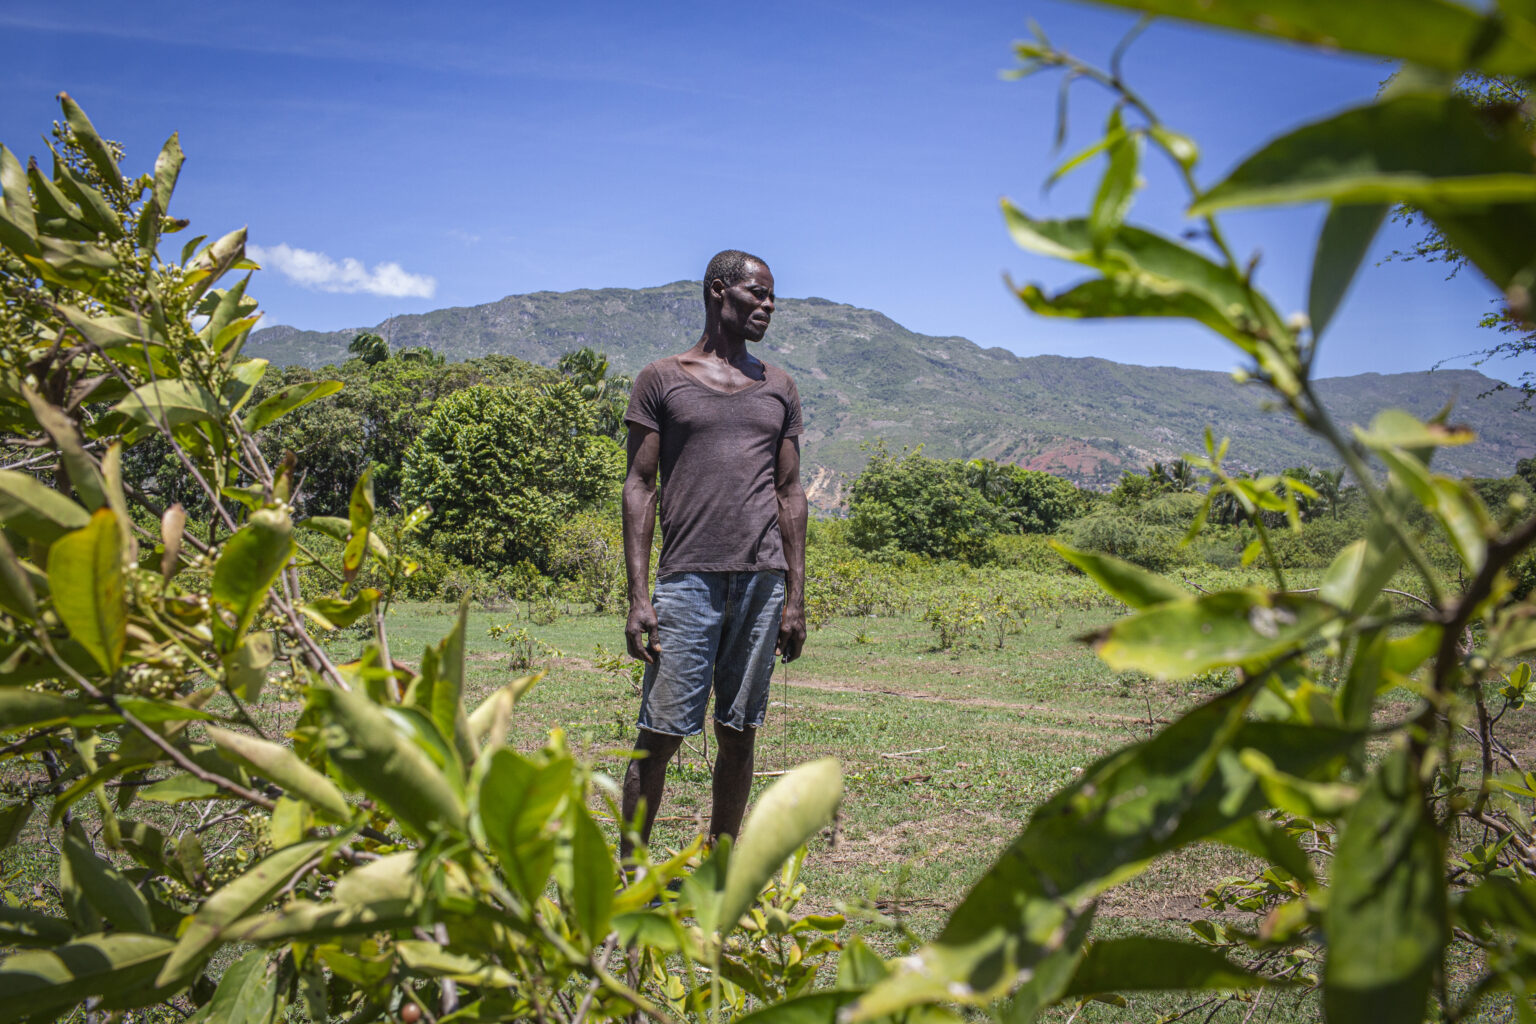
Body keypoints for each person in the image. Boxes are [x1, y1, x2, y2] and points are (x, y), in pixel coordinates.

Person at [619, 249, 808, 860]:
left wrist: (795, 598)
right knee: (660, 736)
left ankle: (720, 873)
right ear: (718, 292)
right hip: (686, 583)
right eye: (757, 294)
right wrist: (639, 597)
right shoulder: (662, 378)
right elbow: (640, 486)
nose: (768, 306)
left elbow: (789, 493)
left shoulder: (778, 387)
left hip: (761, 584)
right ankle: (628, 879)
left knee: (739, 731)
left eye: (773, 297)